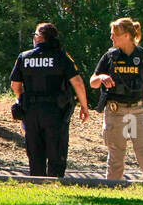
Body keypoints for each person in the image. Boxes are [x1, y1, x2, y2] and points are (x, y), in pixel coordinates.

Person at [10, 22, 90, 177]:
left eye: (35, 35)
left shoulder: (24, 57)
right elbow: (78, 83)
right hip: (56, 112)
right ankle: (55, 185)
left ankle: (37, 186)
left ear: (41, 38)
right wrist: (84, 107)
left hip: (31, 112)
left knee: (35, 153)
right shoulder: (61, 56)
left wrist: (22, 101)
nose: (33, 38)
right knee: (56, 153)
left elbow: (15, 85)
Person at [89, 17, 143, 181]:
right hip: (115, 110)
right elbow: (93, 82)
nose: (111, 37)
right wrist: (102, 77)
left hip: (138, 110)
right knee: (115, 155)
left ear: (127, 35)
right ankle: (113, 190)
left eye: (115, 34)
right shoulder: (110, 56)